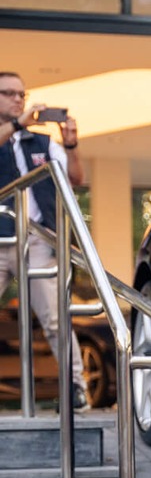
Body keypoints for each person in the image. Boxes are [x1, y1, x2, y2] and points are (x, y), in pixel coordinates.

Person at [0, 70, 89, 409]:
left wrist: (70, 144)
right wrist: (19, 125)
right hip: (0, 236)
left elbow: (76, 178)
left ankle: (76, 389)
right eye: (8, 93)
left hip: (37, 241)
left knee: (54, 317)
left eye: (21, 94)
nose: (18, 99)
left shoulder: (41, 142)